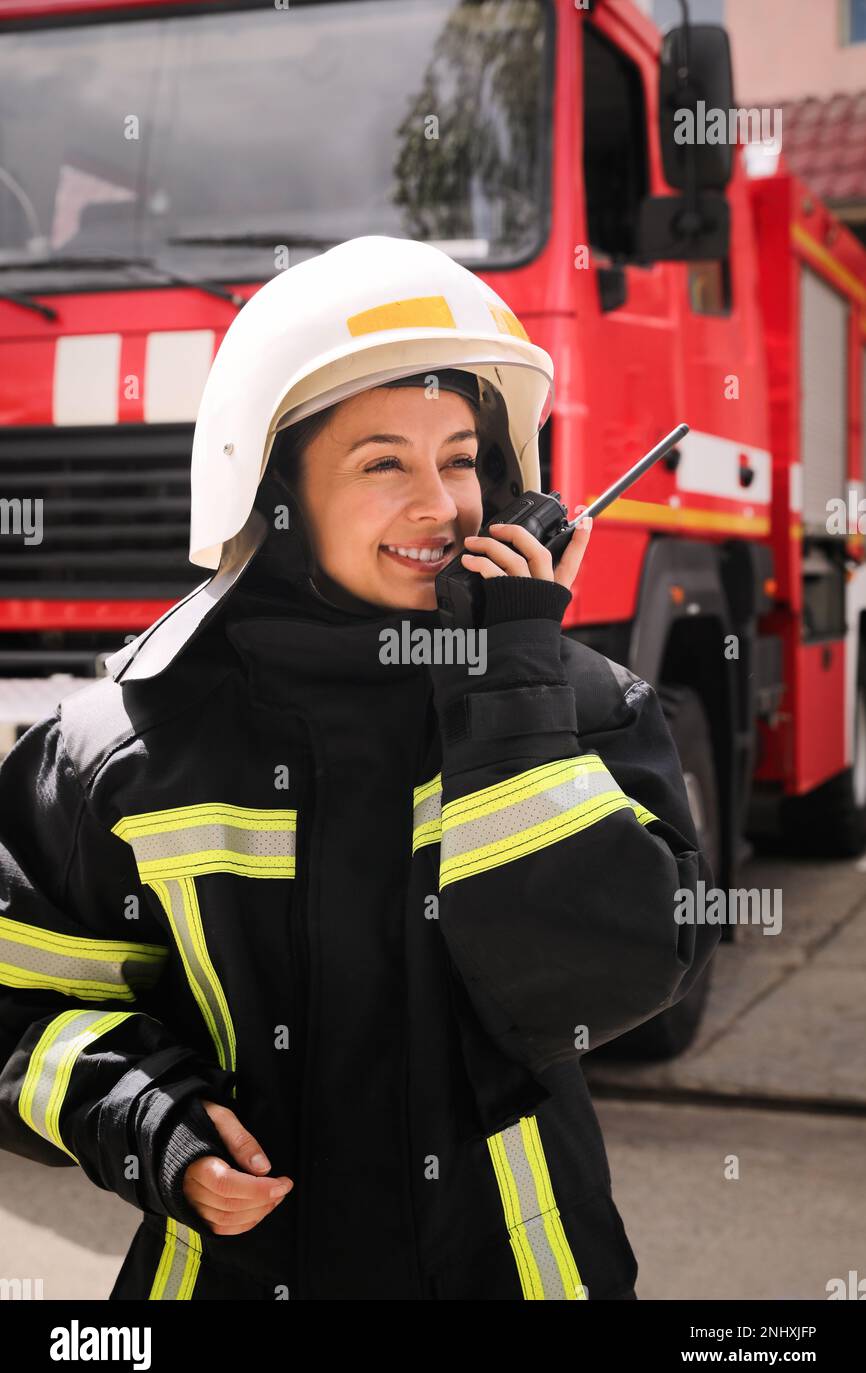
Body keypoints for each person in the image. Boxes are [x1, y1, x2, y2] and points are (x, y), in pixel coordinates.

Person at [0, 236, 718, 1300]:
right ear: (275, 493)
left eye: (462, 458)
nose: (439, 503)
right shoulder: (116, 752)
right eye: (382, 462)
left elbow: (602, 984)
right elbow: (21, 1015)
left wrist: (509, 689)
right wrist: (147, 1117)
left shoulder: (583, 704)